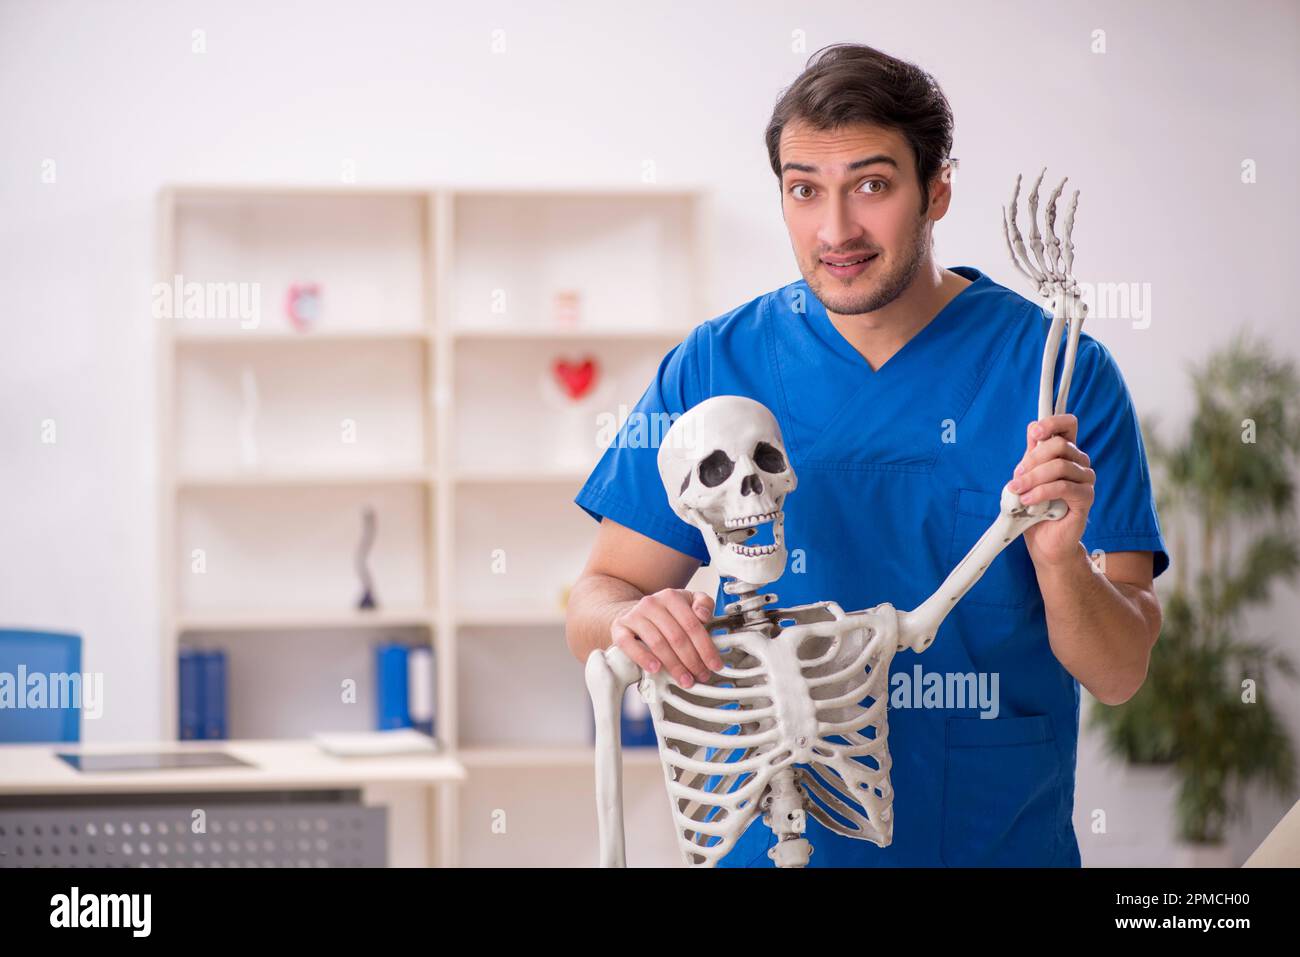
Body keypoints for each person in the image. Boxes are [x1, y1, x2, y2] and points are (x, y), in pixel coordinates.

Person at [564, 42, 1168, 867]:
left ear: (937, 190)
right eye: (805, 189)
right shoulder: (715, 365)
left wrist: (1063, 567)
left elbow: (1122, 669)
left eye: (872, 185)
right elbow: (597, 598)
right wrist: (633, 619)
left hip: (994, 844)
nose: (836, 229)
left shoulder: (1060, 375)